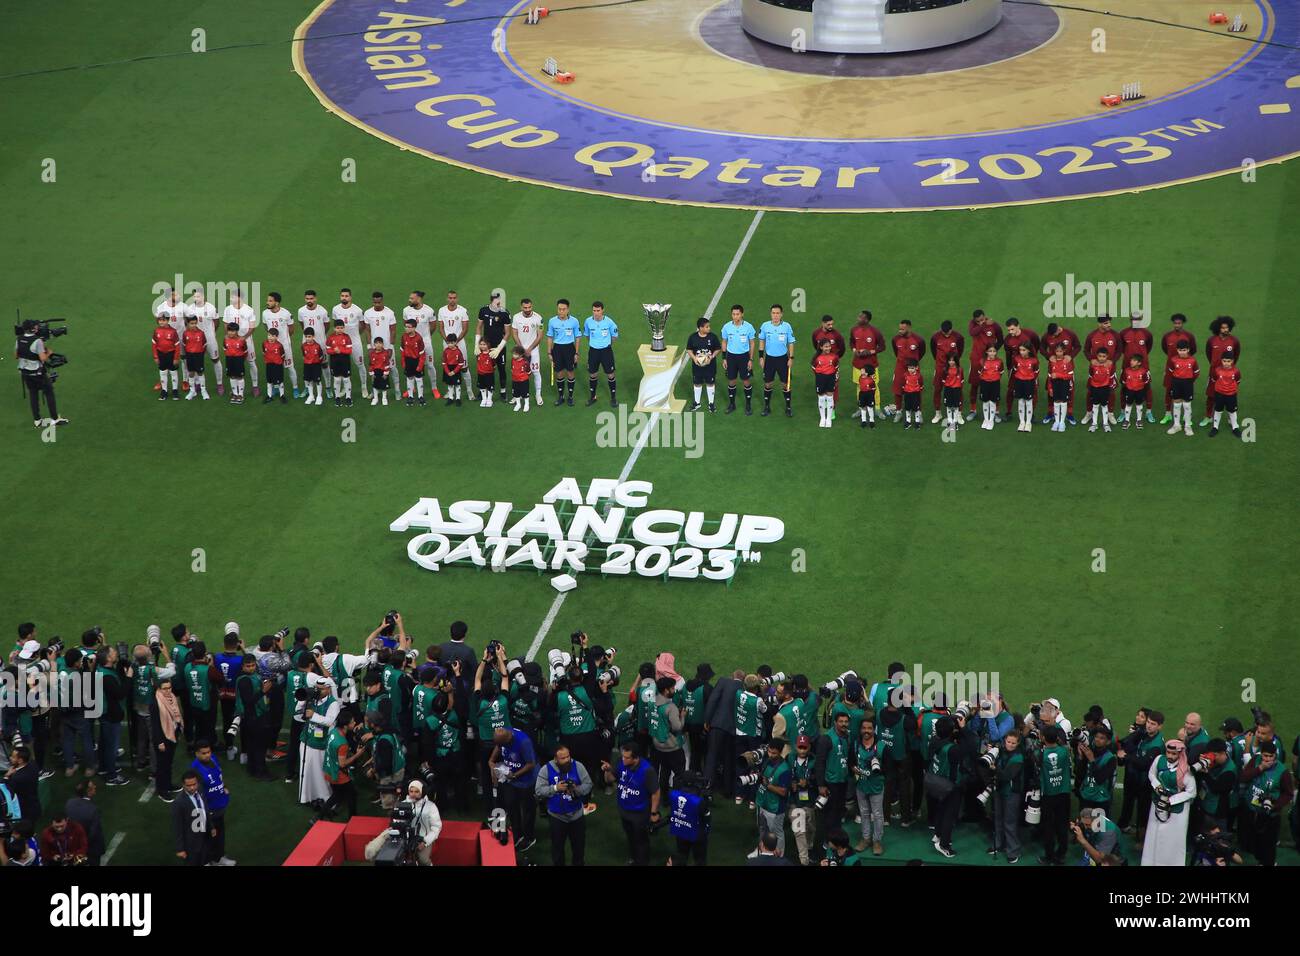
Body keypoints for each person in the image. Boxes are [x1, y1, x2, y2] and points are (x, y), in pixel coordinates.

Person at [1142, 737, 1196, 865]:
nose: (1170, 756)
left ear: (1179, 754)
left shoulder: (1185, 771)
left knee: (1172, 841)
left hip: (1177, 811)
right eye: (1168, 753)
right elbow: (1151, 774)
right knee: (1153, 836)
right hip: (1158, 803)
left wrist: (1170, 801)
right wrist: (1157, 786)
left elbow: (1191, 792)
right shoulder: (1159, 760)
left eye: (1174, 754)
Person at [603, 743, 660, 865]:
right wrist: (608, 771)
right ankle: (634, 858)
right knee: (630, 837)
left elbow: (655, 792)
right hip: (624, 809)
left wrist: (654, 812)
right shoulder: (621, 763)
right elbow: (610, 780)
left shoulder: (647, 770)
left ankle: (642, 862)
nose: (623, 759)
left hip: (639, 812)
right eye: (623, 756)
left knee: (641, 840)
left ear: (636, 758)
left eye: (627, 757)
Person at [1239, 740, 1293, 866]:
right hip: (1252, 810)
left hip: (1270, 815)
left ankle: (1268, 863)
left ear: (1275, 756)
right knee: (1255, 842)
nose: (1267, 759)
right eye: (1265, 756)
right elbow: (1244, 777)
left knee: (1268, 844)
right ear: (1261, 754)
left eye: (1271, 756)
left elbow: (1288, 794)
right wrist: (1260, 768)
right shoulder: (1256, 760)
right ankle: (1260, 861)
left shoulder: (1282, 771)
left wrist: (1275, 806)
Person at [535, 744, 592, 865]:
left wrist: (577, 790)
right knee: (557, 850)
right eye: (563, 758)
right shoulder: (546, 769)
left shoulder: (578, 766)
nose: (567, 760)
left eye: (568, 756)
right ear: (556, 759)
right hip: (557, 816)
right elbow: (539, 791)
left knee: (579, 849)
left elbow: (588, 784)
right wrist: (555, 788)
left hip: (577, 815)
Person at [489, 725, 538, 852]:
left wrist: (515, 775)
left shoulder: (523, 742)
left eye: (501, 745)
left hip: (526, 781)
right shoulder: (503, 734)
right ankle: (518, 834)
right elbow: (495, 753)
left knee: (528, 810)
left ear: (507, 740)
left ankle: (529, 837)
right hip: (510, 779)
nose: (500, 747)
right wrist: (492, 764)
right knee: (511, 805)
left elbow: (531, 764)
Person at [192, 741, 235, 865]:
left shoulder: (213, 759)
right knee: (208, 837)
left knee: (220, 834)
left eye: (209, 752)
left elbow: (218, 776)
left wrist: (224, 786)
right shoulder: (196, 770)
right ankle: (207, 861)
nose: (207, 755)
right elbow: (197, 795)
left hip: (219, 805)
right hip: (208, 810)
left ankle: (218, 857)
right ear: (196, 754)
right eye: (203, 753)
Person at [1037, 726, 1073, 864]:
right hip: (1063, 793)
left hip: (1048, 794)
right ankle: (1061, 854)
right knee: (1062, 825)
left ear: (1043, 738)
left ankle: (1049, 855)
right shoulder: (1064, 751)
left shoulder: (1041, 755)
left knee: (1048, 826)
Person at [234, 654, 273, 780]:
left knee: (253, 745)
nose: (251, 668)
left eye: (252, 665)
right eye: (248, 666)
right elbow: (248, 701)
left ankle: (252, 769)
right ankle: (260, 772)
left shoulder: (253, 676)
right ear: (243, 666)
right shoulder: (244, 680)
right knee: (259, 746)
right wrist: (263, 691)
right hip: (253, 717)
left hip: (255, 715)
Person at [1200, 315, 1241, 426]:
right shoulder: (1211, 340)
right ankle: (1208, 416)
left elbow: (1236, 356)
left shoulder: (1234, 341)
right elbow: (1209, 354)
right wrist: (1214, 366)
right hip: (1214, 373)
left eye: (1227, 327)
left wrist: (1229, 368)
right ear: (1218, 328)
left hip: (1228, 374)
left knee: (1230, 395)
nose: (1225, 330)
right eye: (1223, 328)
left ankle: (1230, 418)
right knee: (1210, 395)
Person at [853, 718, 886, 855]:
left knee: (877, 814)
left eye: (869, 728)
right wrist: (853, 768)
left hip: (876, 786)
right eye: (864, 728)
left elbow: (888, 767)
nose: (866, 731)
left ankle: (877, 841)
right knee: (864, 813)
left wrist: (878, 766)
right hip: (861, 785)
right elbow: (851, 760)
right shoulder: (855, 744)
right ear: (860, 729)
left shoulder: (881, 746)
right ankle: (866, 839)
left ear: (874, 729)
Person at [150, 676, 185, 802]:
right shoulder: (155, 702)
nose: (168, 691)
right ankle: (162, 790)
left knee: (168, 763)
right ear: (159, 689)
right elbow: (155, 725)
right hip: (162, 738)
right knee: (162, 765)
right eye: (164, 689)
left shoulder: (172, 698)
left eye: (169, 688)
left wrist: (178, 731)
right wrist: (159, 741)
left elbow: (177, 716)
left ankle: (168, 784)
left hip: (172, 734)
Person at [758, 304, 796, 417]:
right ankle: (766, 406)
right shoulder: (765, 326)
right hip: (769, 359)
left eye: (777, 313)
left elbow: (791, 343)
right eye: (773, 313)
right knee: (768, 383)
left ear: (781, 314)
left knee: (785, 384)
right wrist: (761, 357)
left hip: (783, 359)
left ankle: (788, 407)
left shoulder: (787, 326)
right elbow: (761, 341)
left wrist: (791, 358)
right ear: (771, 314)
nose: (775, 315)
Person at [437, 290, 476, 400]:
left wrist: (455, 341)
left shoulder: (462, 311)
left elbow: (465, 328)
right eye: (450, 297)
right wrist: (448, 342)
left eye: (454, 298)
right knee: (449, 367)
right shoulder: (442, 310)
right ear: (447, 298)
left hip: (460, 343)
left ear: (457, 299)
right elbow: (441, 327)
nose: (452, 300)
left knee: (464, 367)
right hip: (447, 343)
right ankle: (451, 393)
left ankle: (469, 391)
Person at [1117, 312, 1155, 423]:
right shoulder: (1124, 333)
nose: (1136, 321)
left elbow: (1148, 347)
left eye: (1138, 319)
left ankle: (1148, 412)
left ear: (1142, 319)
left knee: (1147, 387)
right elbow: (1122, 348)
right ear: (1130, 319)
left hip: (1143, 366)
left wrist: (1140, 358)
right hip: (1127, 366)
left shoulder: (1147, 333)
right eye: (1133, 319)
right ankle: (1123, 412)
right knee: (1124, 387)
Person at [173, 770, 215, 866]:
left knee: (205, 858)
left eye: (194, 784)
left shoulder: (200, 790)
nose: (192, 788)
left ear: (197, 783)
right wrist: (180, 849)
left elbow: (205, 809)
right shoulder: (178, 803)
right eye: (188, 785)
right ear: (183, 785)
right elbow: (177, 827)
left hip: (204, 835)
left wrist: (211, 826)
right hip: (191, 842)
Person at [475, 291, 512, 401]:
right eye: (497, 302)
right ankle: (482, 391)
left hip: (499, 346)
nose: (500, 304)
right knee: (483, 368)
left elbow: (508, 333)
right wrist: (477, 345)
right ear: (492, 301)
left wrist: (499, 348)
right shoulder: (483, 310)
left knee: (501, 368)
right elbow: (479, 327)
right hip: (485, 345)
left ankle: (503, 391)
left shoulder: (505, 313)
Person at [720, 304, 757, 415]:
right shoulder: (727, 327)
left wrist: (750, 359)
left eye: (737, 314)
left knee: (746, 380)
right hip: (731, 357)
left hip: (744, 357)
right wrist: (724, 358)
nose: (735, 316)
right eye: (733, 314)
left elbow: (752, 343)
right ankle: (732, 404)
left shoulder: (748, 327)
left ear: (742, 314)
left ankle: (748, 405)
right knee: (731, 380)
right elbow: (724, 341)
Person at [581, 300, 618, 407]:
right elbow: (587, 335)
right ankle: (593, 397)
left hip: (606, 351)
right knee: (593, 374)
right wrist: (594, 344)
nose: (596, 313)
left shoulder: (609, 322)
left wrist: (606, 344)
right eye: (594, 310)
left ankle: (613, 398)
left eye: (598, 310)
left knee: (610, 374)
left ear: (602, 310)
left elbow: (614, 336)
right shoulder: (588, 321)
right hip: (593, 351)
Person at [1158, 313, 1194, 423]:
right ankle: (1168, 414)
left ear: (1182, 324)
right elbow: (1165, 349)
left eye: (1179, 323)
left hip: (1185, 370)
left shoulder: (1189, 336)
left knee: (1184, 392)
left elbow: (1193, 350)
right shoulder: (1167, 336)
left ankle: (1186, 416)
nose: (1177, 325)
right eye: (1175, 323)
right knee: (1169, 390)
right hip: (1170, 368)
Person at [222, 290, 259, 397]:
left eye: (232, 297)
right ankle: (236, 391)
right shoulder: (228, 309)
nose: (230, 299)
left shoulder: (249, 310)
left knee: (251, 362)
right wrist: (228, 335)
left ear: (239, 298)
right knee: (234, 363)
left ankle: (255, 386)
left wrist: (243, 338)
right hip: (232, 341)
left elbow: (252, 327)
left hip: (246, 340)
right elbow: (225, 323)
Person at [332, 288, 368, 397]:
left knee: (360, 365)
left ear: (350, 297)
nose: (344, 298)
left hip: (355, 342)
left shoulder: (357, 310)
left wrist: (356, 335)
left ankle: (364, 387)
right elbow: (335, 325)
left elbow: (362, 325)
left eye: (346, 296)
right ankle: (344, 388)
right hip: (341, 344)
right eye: (342, 296)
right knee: (342, 366)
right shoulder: (335, 309)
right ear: (340, 297)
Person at [509, 297, 545, 403]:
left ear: (531, 306)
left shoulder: (539, 318)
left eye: (529, 307)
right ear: (521, 307)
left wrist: (529, 349)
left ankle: (538, 395)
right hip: (519, 350)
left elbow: (540, 336)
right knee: (517, 373)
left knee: (535, 371)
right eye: (525, 307)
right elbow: (514, 333)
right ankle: (517, 395)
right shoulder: (516, 317)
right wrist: (521, 349)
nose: (528, 309)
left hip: (533, 350)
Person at [887, 318, 924, 420]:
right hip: (900, 368)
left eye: (902, 329)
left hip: (913, 369)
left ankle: (918, 412)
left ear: (909, 328)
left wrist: (913, 364)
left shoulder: (918, 340)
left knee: (916, 391)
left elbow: (922, 352)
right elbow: (896, 352)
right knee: (898, 391)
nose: (900, 331)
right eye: (899, 329)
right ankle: (898, 411)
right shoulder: (895, 339)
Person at [187, 288, 223, 395]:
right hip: (196, 340)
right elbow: (188, 323)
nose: (196, 298)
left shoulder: (211, 307)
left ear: (203, 297)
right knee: (196, 361)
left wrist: (211, 333)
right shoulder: (190, 309)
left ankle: (220, 384)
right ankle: (198, 383)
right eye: (194, 296)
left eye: (198, 296)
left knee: (215, 359)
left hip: (210, 339)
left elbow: (216, 322)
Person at [546, 298, 581, 406]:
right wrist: (549, 353)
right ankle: (561, 396)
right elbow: (550, 337)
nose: (561, 311)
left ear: (568, 309)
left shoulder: (574, 321)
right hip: (557, 349)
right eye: (559, 309)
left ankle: (570, 397)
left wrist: (576, 353)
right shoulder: (552, 321)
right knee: (559, 373)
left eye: (563, 309)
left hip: (569, 349)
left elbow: (578, 337)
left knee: (570, 372)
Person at [928, 320, 964, 424]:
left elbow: (960, 351)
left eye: (947, 333)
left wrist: (953, 362)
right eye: (944, 333)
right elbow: (933, 351)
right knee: (938, 389)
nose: (945, 334)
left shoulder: (958, 337)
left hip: (954, 368)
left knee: (958, 390)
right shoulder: (935, 337)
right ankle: (938, 413)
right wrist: (940, 362)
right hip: (940, 368)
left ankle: (959, 414)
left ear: (951, 329)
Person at [261, 292, 296, 399]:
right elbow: (266, 326)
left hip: (285, 346)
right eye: (268, 300)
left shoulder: (286, 313)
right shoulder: (265, 313)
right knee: (274, 368)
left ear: (277, 302)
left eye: (270, 301)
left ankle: (295, 388)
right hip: (272, 347)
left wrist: (284, 339)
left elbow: (291, 329)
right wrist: (273, 339)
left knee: (289, 367)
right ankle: (276, 388)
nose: (268, 302)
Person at [299, 289, 331, 400]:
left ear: (315, 298)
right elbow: (302, 324)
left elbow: (327, 325)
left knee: (324, 365)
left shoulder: (322, 311)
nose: (309, 300)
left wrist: (320, 335)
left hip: (321, 343)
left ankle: (328, 387)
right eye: (307, 298)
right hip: (306, 344)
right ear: (305, 299)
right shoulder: (301, 311)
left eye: (311, 298)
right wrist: (308, 337)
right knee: (308, 365)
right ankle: (308, 389)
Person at [403, 290, 436, 396]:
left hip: (425, 342)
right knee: (411, 366)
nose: (410, 300)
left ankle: (434, 388)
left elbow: (433, 326)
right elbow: (406, 325)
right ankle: (411, 389)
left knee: (430, 365)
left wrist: (425, 337)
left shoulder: (429, 311)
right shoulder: (406, 310)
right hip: (411, 344)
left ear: (419, 299)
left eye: (412, 298)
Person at [686, 317, 722, 412]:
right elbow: (689, 349)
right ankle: (697, 403)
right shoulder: (693, 337)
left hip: (710, 366)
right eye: (707, 327)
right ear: (700, 328)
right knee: (697, 383)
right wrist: (694, 358)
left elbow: (718, 348)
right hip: (697, 366)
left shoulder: (712, 337)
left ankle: (711, 403)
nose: (709, 328)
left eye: (709, 326)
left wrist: (711, 357)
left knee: (710, 383)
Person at [64, 780, 104, 865]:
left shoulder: (69, 803)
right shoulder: (93, 810)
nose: (95, 787)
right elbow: (93, 833)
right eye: (93, 787)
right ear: (88, 792)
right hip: (91, 849)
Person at [1165, 339, 1199, 436]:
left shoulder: (1193, 360)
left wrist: (1189, 381)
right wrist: (1175, 382)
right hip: (1176, 383)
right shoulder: (1173, 360)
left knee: (1187, 405)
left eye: (1184, 350)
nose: (1182, 352)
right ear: (1177, 350)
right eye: (1180, 350)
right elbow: (1170, 372)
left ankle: (1188, 426)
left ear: (1188, 350)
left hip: (1188, 383)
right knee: (1176, 404)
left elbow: (1196, 373)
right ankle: (1177, 425)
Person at [1209, 353, 1242, 438]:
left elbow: (1238, 381)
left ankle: (1235, 427)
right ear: (1221, 361)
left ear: (1232, 361)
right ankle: (1215, 427)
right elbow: (1213, 379)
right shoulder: (1217, 370)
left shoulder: (1236, 371)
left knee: (1232, 411)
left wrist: (1231, 389)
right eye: (1224, 361)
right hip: (1219, 394)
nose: (1226, 363)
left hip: (1231, 395)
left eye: (1228, 361)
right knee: (1218, 410)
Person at [1010, 342, 1040, 432]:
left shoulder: (1034, 360)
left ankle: (1028, 422)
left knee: (1028, 401)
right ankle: (1022, 422)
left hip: (1029, 382)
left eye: (1023, 350)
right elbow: (1015, 369)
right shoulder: (1016, 359)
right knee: (1021, 401)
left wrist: (1029, 379)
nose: (1021, 352)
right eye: (1020, 350)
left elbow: (1036, 372)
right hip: (1019, 382)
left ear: (1029, 350)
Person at [325, 318, 356, 406]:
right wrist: (335, 351)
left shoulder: (347, 337)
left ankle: (348, 397)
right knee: (337, 379)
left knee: (346, 379)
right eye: (338, 328)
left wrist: (340, 350)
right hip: (334, 361)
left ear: (344, 328)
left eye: (341, 328)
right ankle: (337, 397)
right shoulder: (330, 337)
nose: (340, 329)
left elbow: (349, 350)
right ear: (334, 328)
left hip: (345, 360)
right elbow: (328, 350)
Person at [1085, 348, 1116, 433]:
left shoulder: (1110, 365)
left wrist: (1111, 387)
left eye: (1104, 356)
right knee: (1095, 405)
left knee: (1104, 405)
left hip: (1105, 388)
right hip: (1095, 388)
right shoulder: (1093, 365)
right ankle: (1094, 424)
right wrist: (1090, 387)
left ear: (1107, 357)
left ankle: (1105, 423)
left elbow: (1112, 377)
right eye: (1100, 356)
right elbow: (1090, 376)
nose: (1102, 358)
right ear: (1096, 356)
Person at [152, 313, 182, 400]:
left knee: (173, 372)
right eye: (160, 320)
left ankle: (175, 391)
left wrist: (176, 358)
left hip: (171, 354)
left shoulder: (173, 331)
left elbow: (177, 346)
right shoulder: (156, 331)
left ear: (168, 320)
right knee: (163, 372)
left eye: (164, 320)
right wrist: (155, 356)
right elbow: (154, 345)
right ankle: (164, 391)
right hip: (161, 354)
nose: (161, 322)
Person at [180, 315, 210, 400]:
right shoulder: (185, 333)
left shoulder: (201, 333)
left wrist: (200, 353)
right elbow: (185, 344)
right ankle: (192, 391)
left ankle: (203, 390)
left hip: (199, 355)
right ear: (187, 323)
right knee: (191, 373)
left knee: (200, 372)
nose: (193, 325)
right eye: (191, 323)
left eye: (195, 323)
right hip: (189, 355)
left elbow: (204, 345)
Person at [399, 317, 427, 407]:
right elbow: (402, 351)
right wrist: (403, 362)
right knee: (409, 378)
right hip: (408, 361)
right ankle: (410, 396)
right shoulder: (404, 337)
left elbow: (422, 354)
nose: (406, 328)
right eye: (405, 326)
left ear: (414, 328)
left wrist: (420, 365)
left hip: (417, 361)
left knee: (419, 379)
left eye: (408, 327)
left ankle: (420, 396)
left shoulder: (419, 338)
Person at [976, 345, 1003, 430]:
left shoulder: (999, 361)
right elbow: (979, 373)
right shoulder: (982, 361)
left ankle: (991, 420)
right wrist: (986, 379)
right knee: (985, 402)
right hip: (984, 383)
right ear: (986, 352)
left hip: (995, 383)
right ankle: (986, 419)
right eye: (990, 351)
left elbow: (1001, 372)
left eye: (994, 351)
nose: (992, 353)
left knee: (992, 402)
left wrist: (994, 378)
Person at [223, 321, 248, 405]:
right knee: (232, 376)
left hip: (239, 359)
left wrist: (241, 359)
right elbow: (224, 348)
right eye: (229, 330)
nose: (230, 333)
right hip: (229, 359)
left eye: (233, 331)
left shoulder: (242, 340)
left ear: (237, 331)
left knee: (239, 376)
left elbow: (245, 351)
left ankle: (240, 395)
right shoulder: (226, 339)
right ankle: (234, 393)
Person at [441, 333, 467, 406]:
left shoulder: (458, 352)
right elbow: (444, 362)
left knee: (457, 385)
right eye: (448, 343)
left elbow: (461, 363)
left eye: (452, 343)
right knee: (450, 384)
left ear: (455, 342)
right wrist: (448, 372)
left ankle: (458, 398)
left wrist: (454, 371)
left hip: (455, 369)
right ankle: (450, 398)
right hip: (448, 369)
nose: (450, 345)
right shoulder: (445, 351)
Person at [899, 359, 924, 430]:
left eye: (912, 368)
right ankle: (908, 421)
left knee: (916, 409)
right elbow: (903, 383)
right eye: (909, 368)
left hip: (915, 394)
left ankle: (917, 422)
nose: (910, 370)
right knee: (907, 408)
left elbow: (921, 384)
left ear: (916, 368)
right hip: (907, 394)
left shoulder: (919, 376)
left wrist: (918, 390)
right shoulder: (905, 375)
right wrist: (905, 389)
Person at [368, 336, 393, 407]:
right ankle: (375, 398)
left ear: (382, 344)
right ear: (374, 345)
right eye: (376, 343)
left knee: (384, 386)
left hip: (383, 372)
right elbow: (370, 364)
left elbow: (387, 364)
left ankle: (384, 398)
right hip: (375, 372)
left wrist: (386, 373)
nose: (378, 345)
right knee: (375, 385)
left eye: (380, 343)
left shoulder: (385, 353)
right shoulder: (372, 353)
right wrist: (372, 373)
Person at [474, 339, 497, 408]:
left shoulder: (491, 354)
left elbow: (494, 365)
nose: (482, 346)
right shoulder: (478, 353)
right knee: (482, 387)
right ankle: (484, 399)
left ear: (488, 345)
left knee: (490, 387)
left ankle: (489, 399)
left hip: (489, 374)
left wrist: (490, 370)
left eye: (484, 344)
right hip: (480, 373)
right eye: (481, 344)